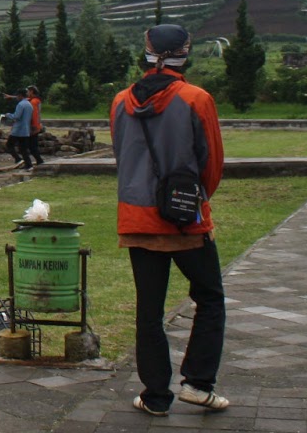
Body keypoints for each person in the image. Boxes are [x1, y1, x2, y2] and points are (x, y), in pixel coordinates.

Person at [111, 24, 228, 417]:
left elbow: (122, 158)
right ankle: (198, 381)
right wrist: (193, 203)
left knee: (150, 310)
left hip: (137, 219)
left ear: (145, 51)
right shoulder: (197, 99)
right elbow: (212, 164)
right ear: (185, 51)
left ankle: (155, 395)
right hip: (184, 222)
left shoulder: (119, 103)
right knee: (209, 297)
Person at [1, 91, 38, 169]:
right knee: (23, 148)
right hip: (26, 130)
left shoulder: (21, 104)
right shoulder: (29, 104)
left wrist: (8, 115)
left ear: (20, 96)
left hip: (18, 129)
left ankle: (18, 159)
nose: (17, 98)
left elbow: (17, 116)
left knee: (9, 145)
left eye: (17, 96)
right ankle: (28, 164)